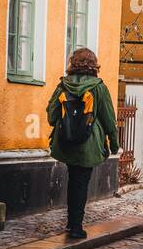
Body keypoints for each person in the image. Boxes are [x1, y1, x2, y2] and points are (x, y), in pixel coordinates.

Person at [46, 47, 119, 239]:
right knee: (81, 183)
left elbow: (51, 115)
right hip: (89, 144)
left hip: (66, 142)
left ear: (73, 64)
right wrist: (114, 144)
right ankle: (76, 227)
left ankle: (71, 224)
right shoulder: (98, 87)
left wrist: (65, 123)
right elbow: (109, 119)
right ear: (94, 65)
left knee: (73, 180)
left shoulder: (63, 85)